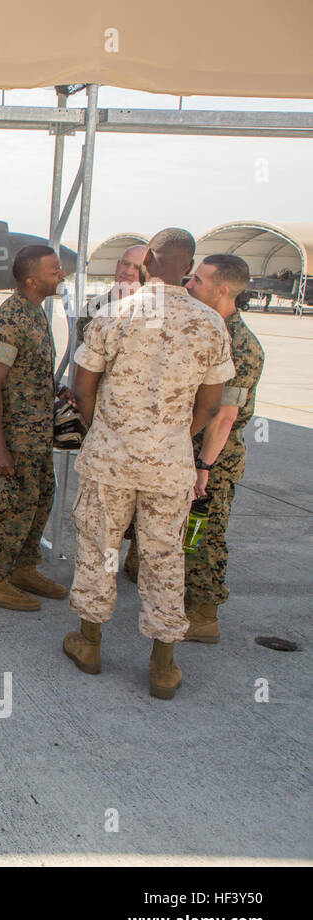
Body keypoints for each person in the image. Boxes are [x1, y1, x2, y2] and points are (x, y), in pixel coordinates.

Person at [62, 228, 233, 700]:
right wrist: (175, 436)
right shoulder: (210, 323)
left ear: (149, 260)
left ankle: (90, 644)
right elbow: (211, 403)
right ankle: (163, 665)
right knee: (163, 556)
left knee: (100, 547)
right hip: (169, 463)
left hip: (110, 459)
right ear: (190, 266)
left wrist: (108, 431)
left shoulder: (114, 313)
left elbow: (82, 389)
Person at [0, 246, 69, 611]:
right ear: (31, 280)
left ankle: (23, 568)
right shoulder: (7, 321)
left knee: (41, 499)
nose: (61, 275)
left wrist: (57, 391)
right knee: (15, 508)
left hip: (38, 434)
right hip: (16, 437)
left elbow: (27, 372)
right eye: (54, 270)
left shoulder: (35, 313)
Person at [183, 254, 265, 642]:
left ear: (223, 290)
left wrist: (203, 466)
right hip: (193, 451)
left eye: (197, 280)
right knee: (186, 533)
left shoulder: (241, 345)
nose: (189, 285)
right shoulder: (208, 328)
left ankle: (204, 614)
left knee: (205, 534)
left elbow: (225, 415)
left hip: (214, 457)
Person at [81, 244, 149, 582]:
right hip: (106, 423)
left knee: (147, 504)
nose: (126, 271)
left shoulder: (158, 310)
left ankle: (137, 558)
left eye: (135, 267)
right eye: (123, 263)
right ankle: (104, 571)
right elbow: (85, 371)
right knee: (104, 509)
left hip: (150, 430)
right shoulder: (97, 307)